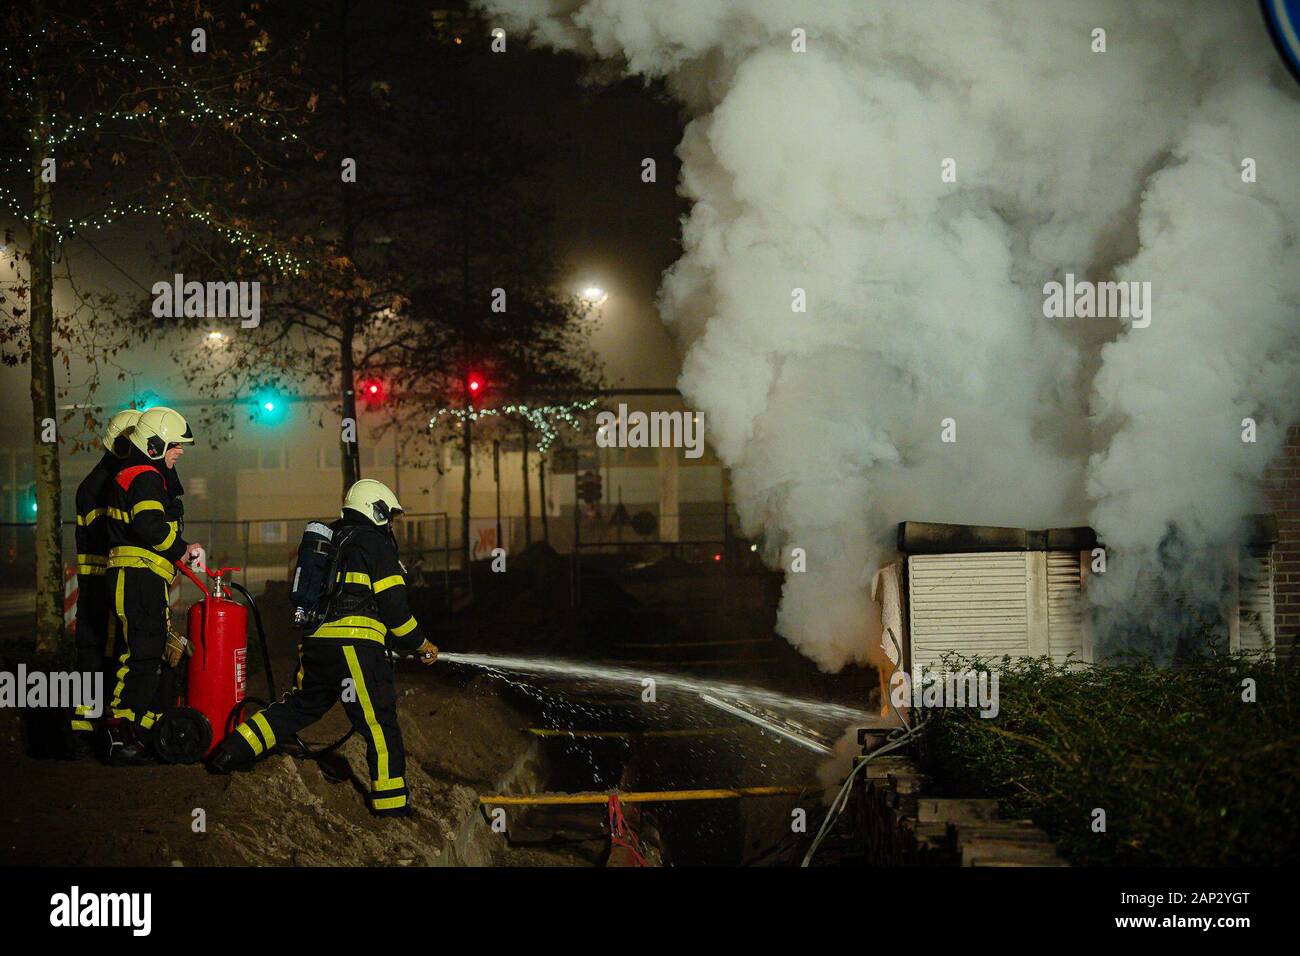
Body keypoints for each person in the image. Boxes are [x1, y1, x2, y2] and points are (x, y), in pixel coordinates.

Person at [210, 479, 438, 817]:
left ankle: (231, 751)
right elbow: (395, 609)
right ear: (375, 511)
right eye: (389, 517)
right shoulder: (375, 544)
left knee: (301, 705)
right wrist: (420, 644)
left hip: (317, 645)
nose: (390, 525)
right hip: (354, 646)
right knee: (378, 720)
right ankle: (391, 805)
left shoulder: (332, 539)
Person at [101, 406, 203, 765]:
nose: (181, 451)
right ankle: (119, 736)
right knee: (141, 653)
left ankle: (138, 732)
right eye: (176, 445)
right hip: (138, 578)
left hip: (143, 577)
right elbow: (148, 525)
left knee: (149, 652)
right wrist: (183, 549)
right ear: (156, 444)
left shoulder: (139, 475)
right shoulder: (145, 477)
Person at [65, 409, 141, 758]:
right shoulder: (107, 485)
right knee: (106, 653)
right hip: (106, 581)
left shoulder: (94, 482)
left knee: (93, 653)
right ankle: (97, 734)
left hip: (96, 582)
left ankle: (85, 732)